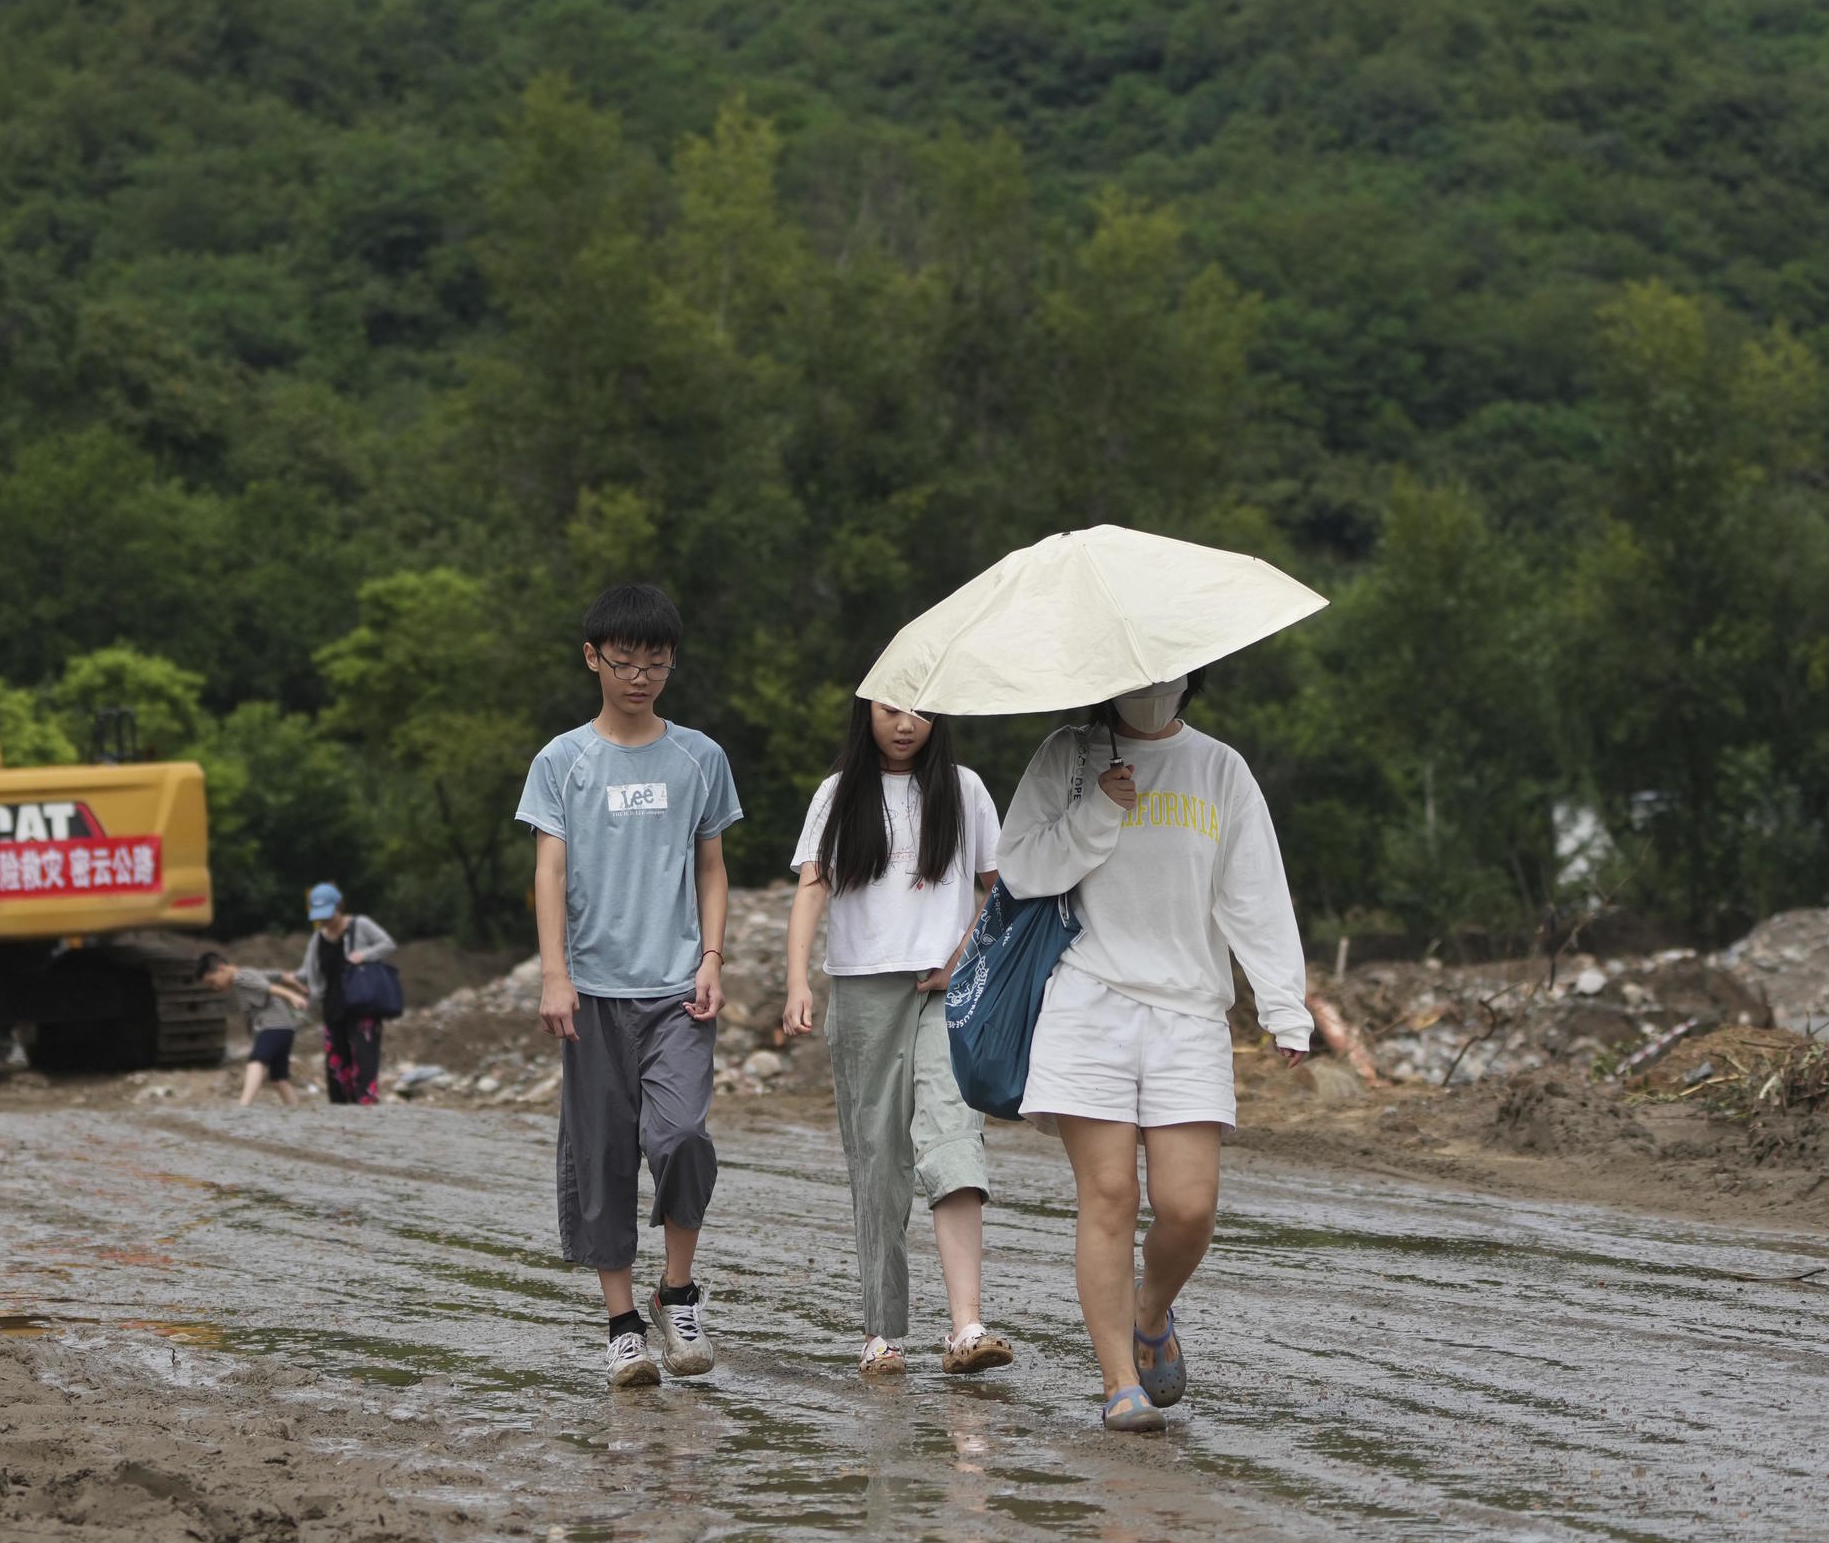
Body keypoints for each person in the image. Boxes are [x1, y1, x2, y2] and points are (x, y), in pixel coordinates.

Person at [995, 671, 1312, 1433]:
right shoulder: (1066, 756)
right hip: (1086, 999)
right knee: (1108, 1196)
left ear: (1191, 675)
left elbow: (1255, 892)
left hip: (1190, 1011)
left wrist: (1283, 1003)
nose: (1153, 685)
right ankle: (1117, 1382)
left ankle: (1151, 1308)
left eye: (1167, 674)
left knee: (1189, 1205)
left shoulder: (1220, 768)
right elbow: (1021, 867)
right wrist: (1097, 809)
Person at [516, 584, 742, 1391]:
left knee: (681, 1136)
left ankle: (676, 1293)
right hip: (594, 992)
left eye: (656, 663)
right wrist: (555, 972)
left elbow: (711, 864)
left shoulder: (699, 758)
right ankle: (621, 1326)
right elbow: (549, 868)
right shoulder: (562, 760)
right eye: (624, 661)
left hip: (678, 986)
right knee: (603, 1152)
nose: (640, 676)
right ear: (592, 659)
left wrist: (713, 955)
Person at [781, 700, 1014, 1381]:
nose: (906, 722)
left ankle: (967, 1326)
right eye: (890, 709)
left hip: (946, 993)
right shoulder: (838, 793)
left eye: (921, 710)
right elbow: (810, 889)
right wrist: (798, 980)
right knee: (878, 1159)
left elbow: (998, 890)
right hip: (861, 993)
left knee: (952, 1137)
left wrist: (962, 960)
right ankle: (881, 1333)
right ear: (866, 712)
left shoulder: (964, 788)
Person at [292, 884, 397, 1104]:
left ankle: (366, 1109)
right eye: (320, 917)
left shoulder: (361, 925)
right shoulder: (317, 938)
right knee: (337, 1065)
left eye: (328, 915)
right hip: (333, 1007)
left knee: (364, 1059)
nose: (325, 921)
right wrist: (284, 978)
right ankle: (341, 1117)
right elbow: (308, 970)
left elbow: (388, 944)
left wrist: (365, 954)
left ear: (339, 906)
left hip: (363, 1006)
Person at [199, 952, 306, 1106]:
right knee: (279, 1079)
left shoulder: (240, 977)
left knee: (256, 1061)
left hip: (272, 1026)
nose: (215, 987)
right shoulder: (249, 975)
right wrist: (297, 985)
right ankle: (296, 1111)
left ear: (221, 968)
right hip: (285, 1028)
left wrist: (292, 996)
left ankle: (244, 1105)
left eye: (213, 982)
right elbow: (279, 976)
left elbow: (268, 988)